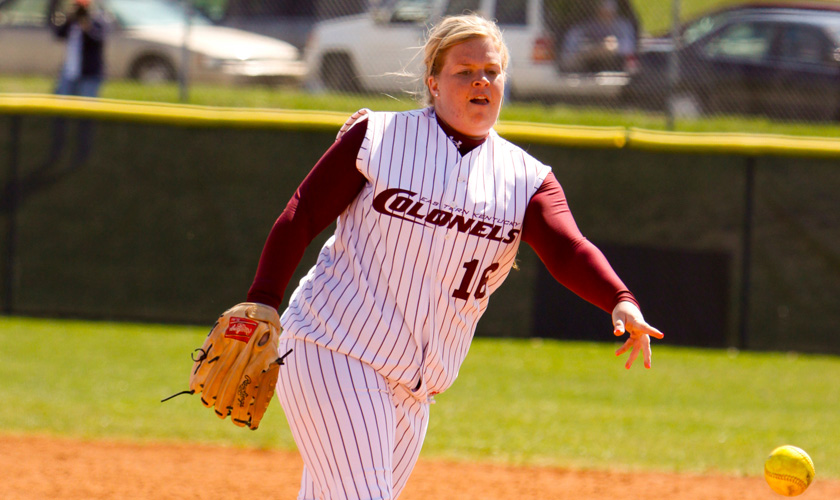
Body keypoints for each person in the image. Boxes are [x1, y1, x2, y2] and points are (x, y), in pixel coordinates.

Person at [238, 14, 663, 499]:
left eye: (492, 70)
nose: (481, 80)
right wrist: (264, 299)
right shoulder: (378, 138)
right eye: (464, 71)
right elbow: (304, 213)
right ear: (433, 82)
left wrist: (619, 298)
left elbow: (567, 248)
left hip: (417, 385)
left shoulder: (526, 178)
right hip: (333, 348)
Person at [42, 0, 106, 169]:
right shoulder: (72, 22)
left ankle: (83, 152)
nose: (80, 10)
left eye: (82, 7)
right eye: (77, 6)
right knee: (60, 113)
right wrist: (69, 18)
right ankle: (57, 149)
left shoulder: (97, 21)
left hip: (88, 76)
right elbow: (57, 33)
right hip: (69, 74)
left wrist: (86, 24)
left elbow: (97, 40)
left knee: (85, 116)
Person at [559, 0, 636, 73]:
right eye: (602, 12)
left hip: (615, 64)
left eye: (609, 13)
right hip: (586, 63)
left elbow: (630, 47)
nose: (606, 15)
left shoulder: (623, 25)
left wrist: (613, 47)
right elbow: (569, 49)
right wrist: (592, 50)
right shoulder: (587, 26)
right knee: (571, 62)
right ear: (597, 11)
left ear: (615, 12)